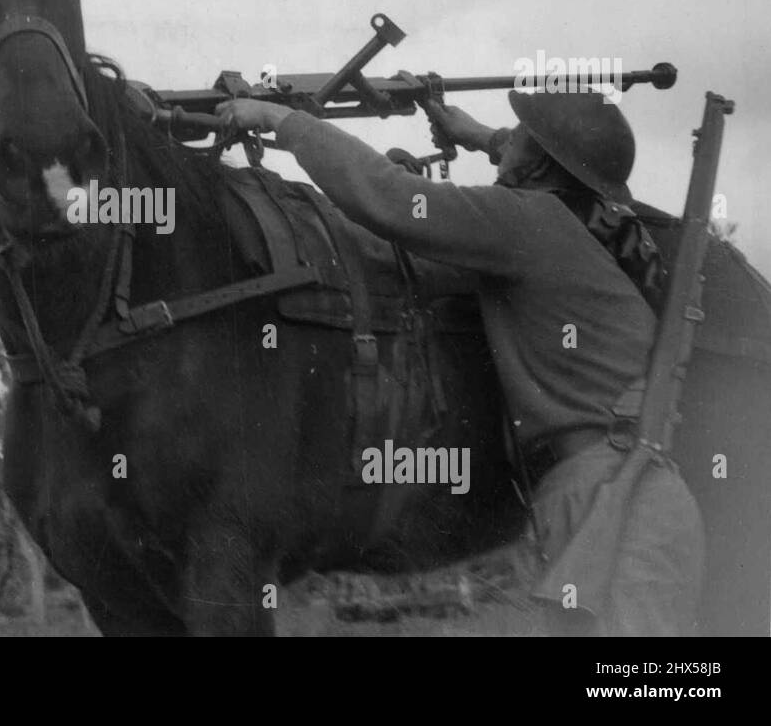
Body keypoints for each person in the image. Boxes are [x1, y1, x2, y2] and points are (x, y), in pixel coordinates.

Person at [216, 92, 703, 636]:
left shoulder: (529, 222)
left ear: (540, 161)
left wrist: (285, 121)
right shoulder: (597, 226)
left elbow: (392, 197)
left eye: (516, 135)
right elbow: (533, 157)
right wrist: (478, 136)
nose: (504, 145)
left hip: (610, 498)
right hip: (632, 495)